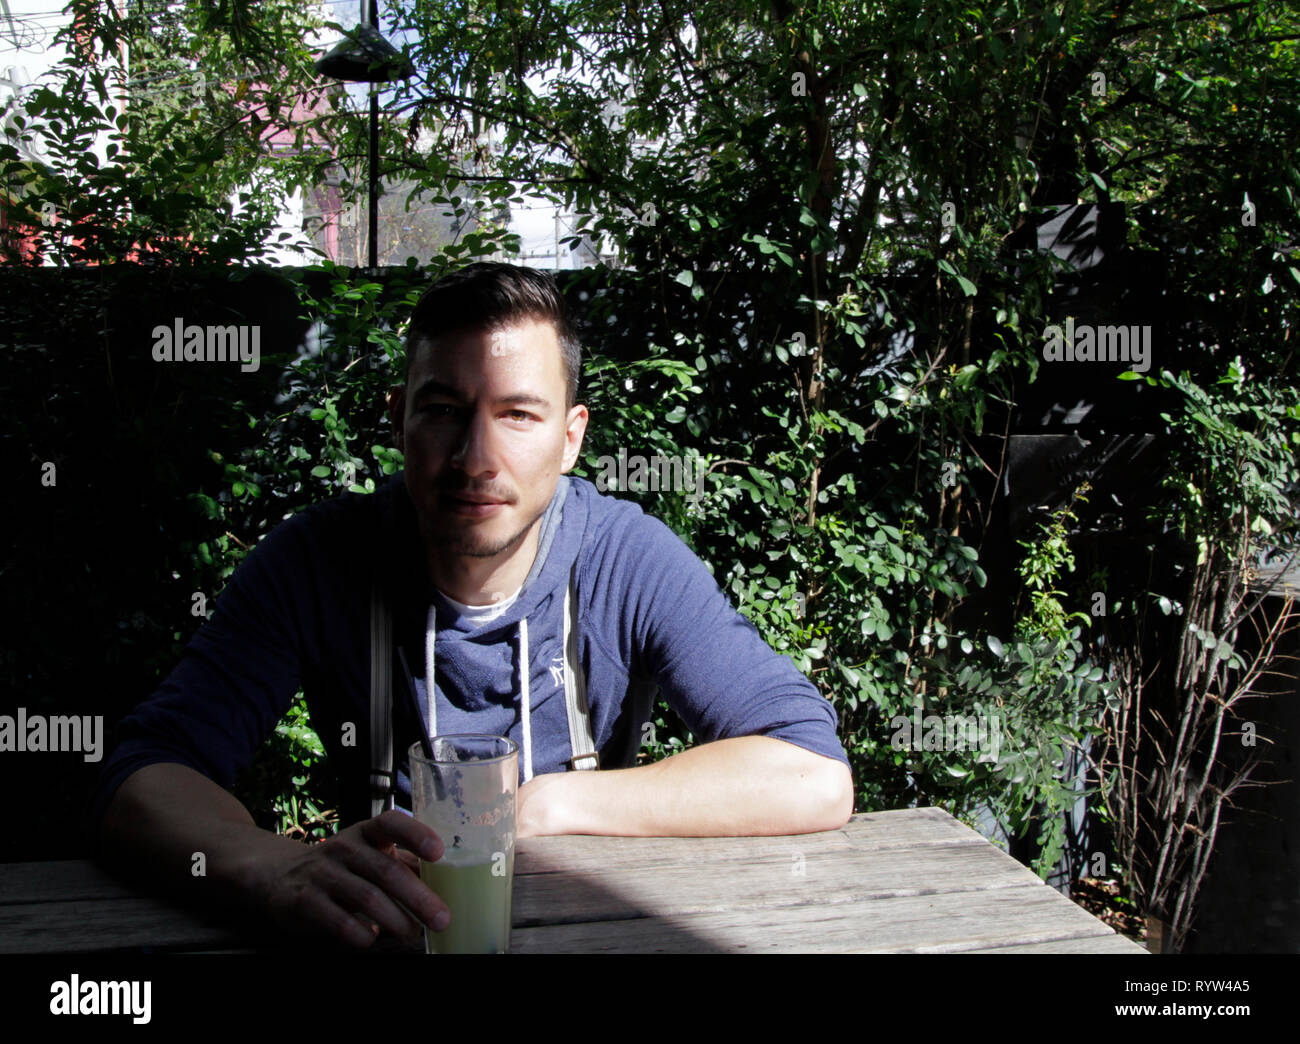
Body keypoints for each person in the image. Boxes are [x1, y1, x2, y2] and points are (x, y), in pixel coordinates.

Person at [91, 262, 853, 951]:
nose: (476, 459)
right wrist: (276, 868)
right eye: (446, 410)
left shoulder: (628, 562)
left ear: (570, 437)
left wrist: (547, 805)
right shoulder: (316, 562)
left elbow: (811, 771)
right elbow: (141, 779)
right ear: (399, 419)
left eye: (519, 415)